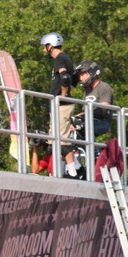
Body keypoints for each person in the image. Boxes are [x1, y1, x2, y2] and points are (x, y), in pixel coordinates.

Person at [40, 32, 78, 176]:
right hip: (60, 104)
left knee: (61, 141)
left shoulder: (60, 58)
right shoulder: (66, 58)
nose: (44, 50)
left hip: (61, 104)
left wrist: (63, 94)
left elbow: (65, 78)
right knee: (54, 140)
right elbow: (74, 80)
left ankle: (74, 171)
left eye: (45, 46)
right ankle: (58, 170)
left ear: (50, 46)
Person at [72, 60, 113, 139]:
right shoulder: (88, 90)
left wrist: (81, 117)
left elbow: (104, 109)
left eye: (83, 74)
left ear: (91, 72)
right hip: (89, 120)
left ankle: (93, 151)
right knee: (72, 125)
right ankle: (81, 150)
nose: (81, 78)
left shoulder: (103, 87)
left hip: (102, 121)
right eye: (79, 75)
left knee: (84, 126)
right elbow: (85, 112)